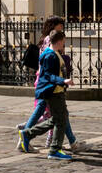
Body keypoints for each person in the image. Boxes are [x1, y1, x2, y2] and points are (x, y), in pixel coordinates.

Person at [18, 18, 76, 153]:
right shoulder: (50, 53)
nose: (61, 28)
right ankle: (53, 145)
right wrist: (63, 81)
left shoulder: (53, 51)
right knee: (58, 117)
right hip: (51, 88)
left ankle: (32, 136)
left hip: (53, 87)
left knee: (57, 117)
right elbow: (48, 74)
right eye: (60, 26)